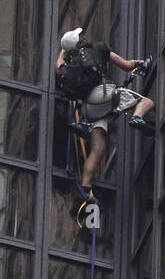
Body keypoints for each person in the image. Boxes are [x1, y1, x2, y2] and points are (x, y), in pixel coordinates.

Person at [55, 27, 153, 191]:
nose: (85, 36)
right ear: (81, 40)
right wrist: (141, 63)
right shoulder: (99, 48)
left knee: (98, 150)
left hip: (89, 110)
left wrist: (63, 50)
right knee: (148, 102)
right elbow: (127, 65)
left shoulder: (69, 65)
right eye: (81, 36)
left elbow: (58, 65)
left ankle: (86, 186)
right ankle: (138, 117)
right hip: (105, 95)